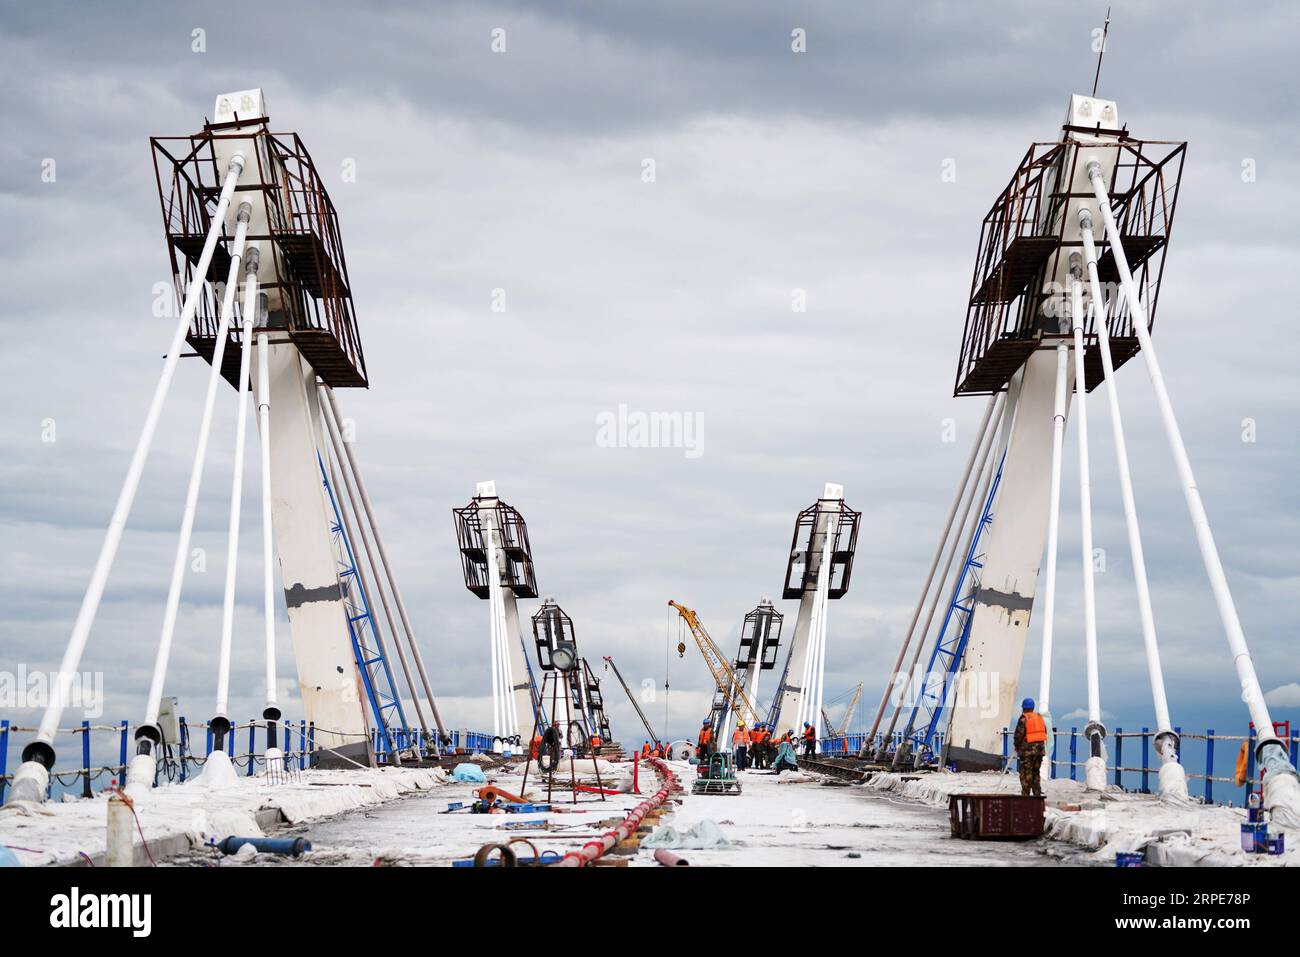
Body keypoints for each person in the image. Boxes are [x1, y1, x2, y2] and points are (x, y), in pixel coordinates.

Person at [1013, 697, 1046, 798]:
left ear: (1023, 707)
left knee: (1026, 773)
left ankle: (1025, 796)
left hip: (1028, 751)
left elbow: (1019, 734)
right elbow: (1044, 731)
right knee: (1036, 773)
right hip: (1040, 750)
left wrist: (1016, 745)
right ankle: (1037, 794)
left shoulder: (1024, 718)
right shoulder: (1039, 717)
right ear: (1033, 707)